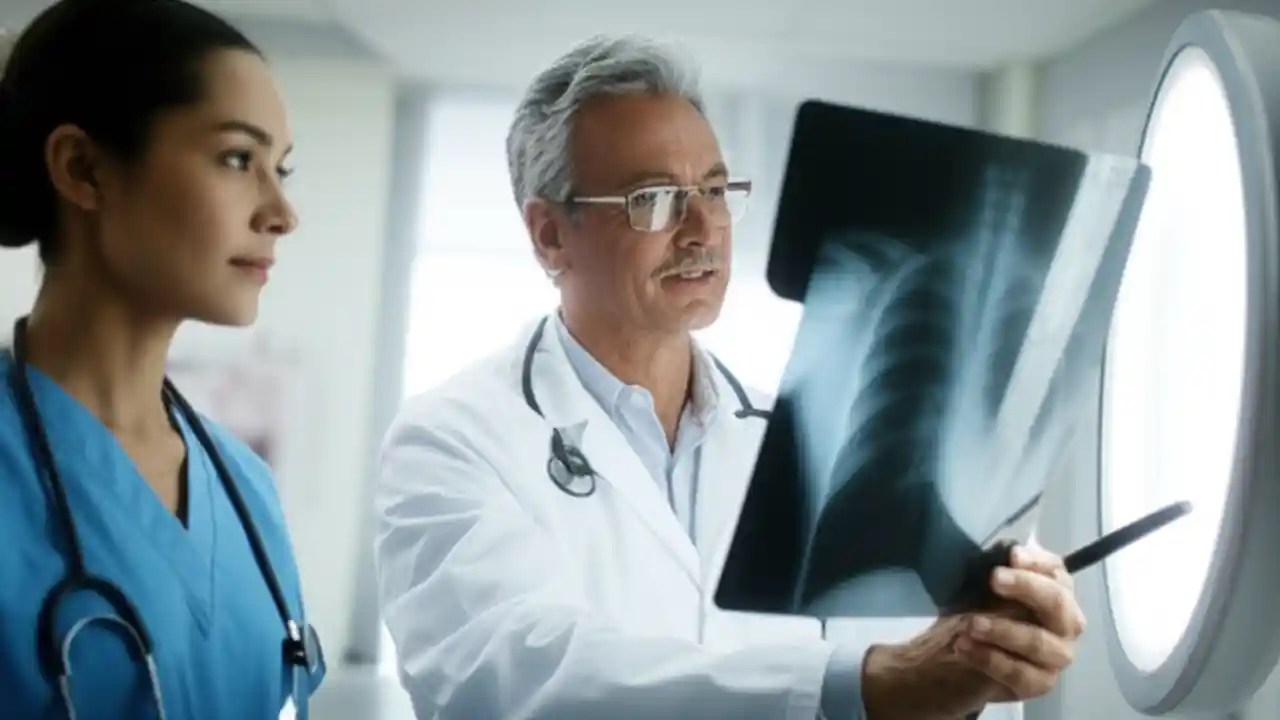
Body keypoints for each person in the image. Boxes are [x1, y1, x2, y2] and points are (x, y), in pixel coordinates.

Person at [375, 35, 1084, 720]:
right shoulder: (451, 439)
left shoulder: (808, 439)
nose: (702, 229)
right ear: (550, 235)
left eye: (715, 190)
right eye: (651, 199)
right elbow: (513, 679)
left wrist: (990, 649)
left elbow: (912, 673)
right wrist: (867, 685)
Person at [0, 1, 324, 718]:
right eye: (239, 158)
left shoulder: (244, 488)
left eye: (282, 168)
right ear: (83, 169)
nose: (282, 212)